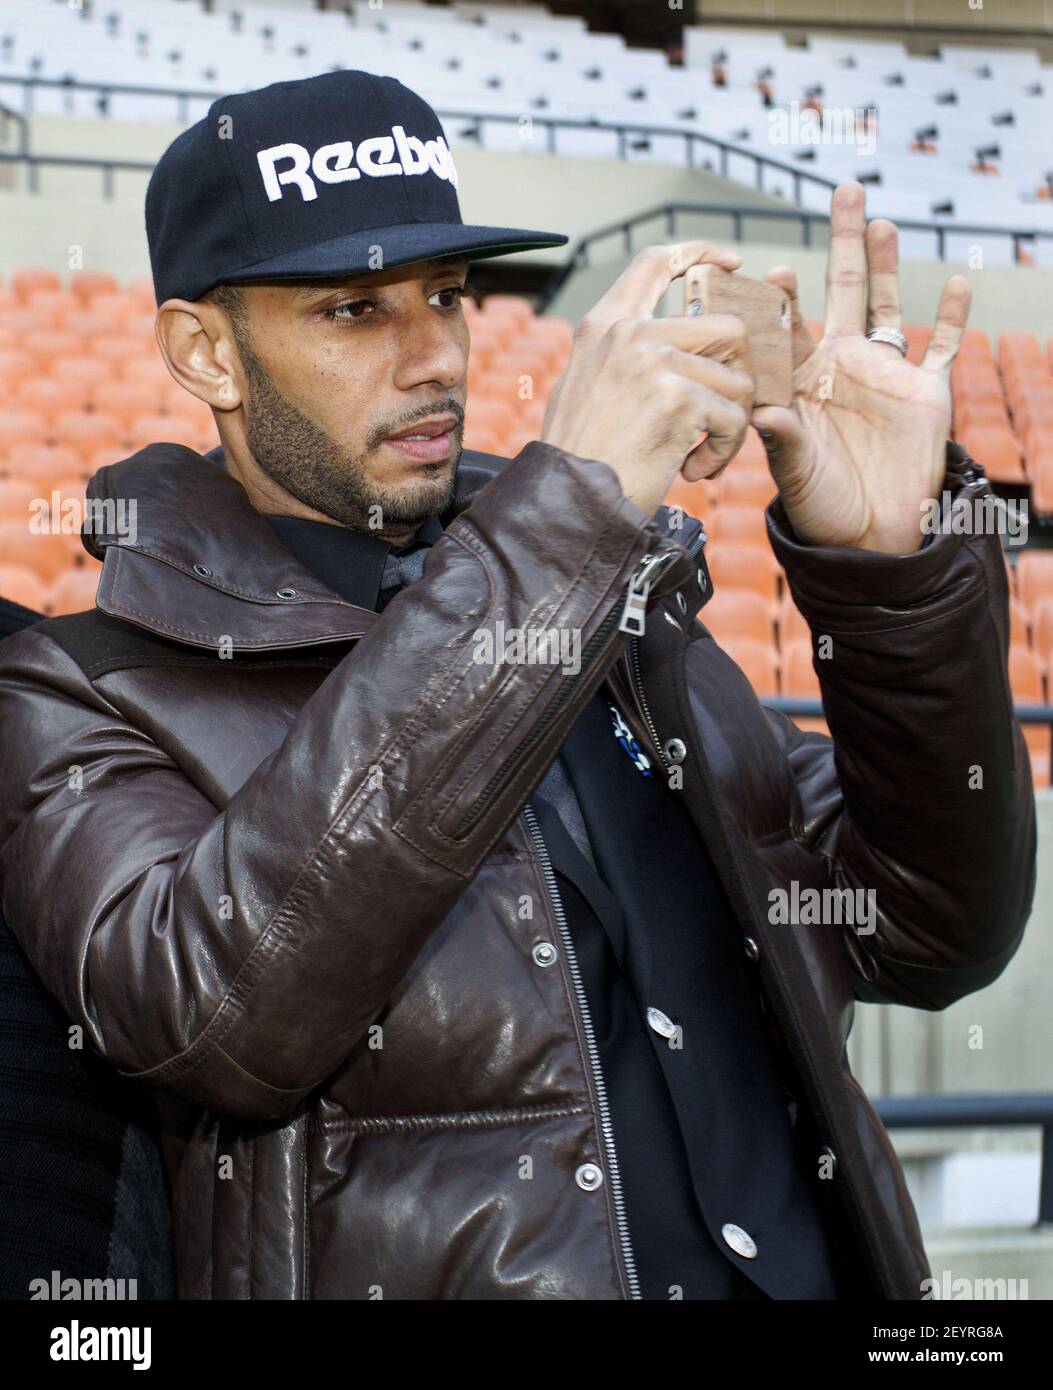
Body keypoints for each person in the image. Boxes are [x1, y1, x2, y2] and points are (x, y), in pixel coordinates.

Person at [0, 70, 1035, 1301]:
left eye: (446, 293)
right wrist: (563, 527)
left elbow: (929, 929)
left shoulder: (627, 613)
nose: (434, 352)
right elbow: (217, 1019)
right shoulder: (82, 682)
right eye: (353, 309)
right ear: (204, 351)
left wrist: (890, 579)